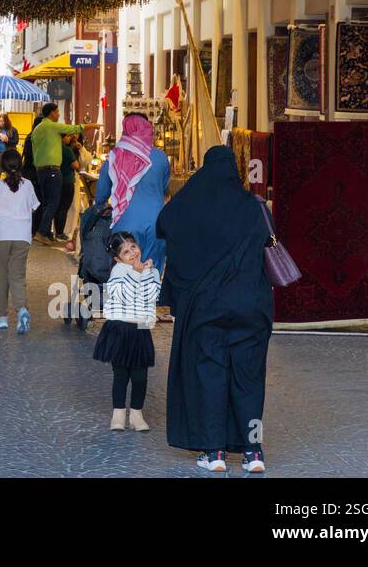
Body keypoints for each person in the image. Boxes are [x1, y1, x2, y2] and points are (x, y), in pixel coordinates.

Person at [156, 145, 273, 474]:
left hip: (206, 308)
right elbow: (269, 240)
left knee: (209, 375)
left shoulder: (189, 204)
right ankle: (253, 453)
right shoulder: (254, 207)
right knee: (249, 378)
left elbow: (163, 224)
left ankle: (214, 451)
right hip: (251, 305)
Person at [92, 231, 162, 431]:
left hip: (140, 327)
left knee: (140, 376)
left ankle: (137, 414)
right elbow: (121, 295)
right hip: (119, 327)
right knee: (121, 374)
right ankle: (119, 413)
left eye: (133, 247)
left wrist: (145, 273)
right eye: (125, 251)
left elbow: (151, 296)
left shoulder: (152, 271)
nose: (132, 253)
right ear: (117, 258)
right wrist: (135, 273)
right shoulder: (119, 271)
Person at [94, 113, 171, 269]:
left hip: (125, 223)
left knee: (124, 272)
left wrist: (104, 206)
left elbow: (100, 196)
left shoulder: (114, 158)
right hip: (156, 223)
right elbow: (164, 190)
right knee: (152, 270)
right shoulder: (161, 157)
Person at [0, 149, 40, 332]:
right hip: (22, 235)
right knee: (17, 275)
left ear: (3, 166)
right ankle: (22, 310)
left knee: (0, 276)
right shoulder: (28, 185)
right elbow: (34, 207)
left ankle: (2, 317)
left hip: (2, 235)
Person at [30, 103, 85, 246]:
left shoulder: (37, 129)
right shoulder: (52, 127)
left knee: (47, 202)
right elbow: (74, 129)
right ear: (51, 113)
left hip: (40, 170)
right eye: (57, 112)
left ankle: (46, 233)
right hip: (52, 169)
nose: (59, 114)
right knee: (54, 202)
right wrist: (91, 125)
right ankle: (42, 232)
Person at [52, 132, 81, 243]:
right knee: (64, 207)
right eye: (68, 136)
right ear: (62, 138)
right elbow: (76, 165)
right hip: (67, 181)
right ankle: (60, 232)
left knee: (57, 206)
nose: (69, 138)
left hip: (56, 180)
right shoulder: (67, 150)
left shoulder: (54, 148)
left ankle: (56, 231)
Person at [0, 114, 19, 180]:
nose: (1, 123)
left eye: (3, 121)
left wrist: (7, 140)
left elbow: (16, 141)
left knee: (9, 173)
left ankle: (9, 188)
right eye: (0, 121)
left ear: (6, 121)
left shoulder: (13, 130)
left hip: (9, 154)